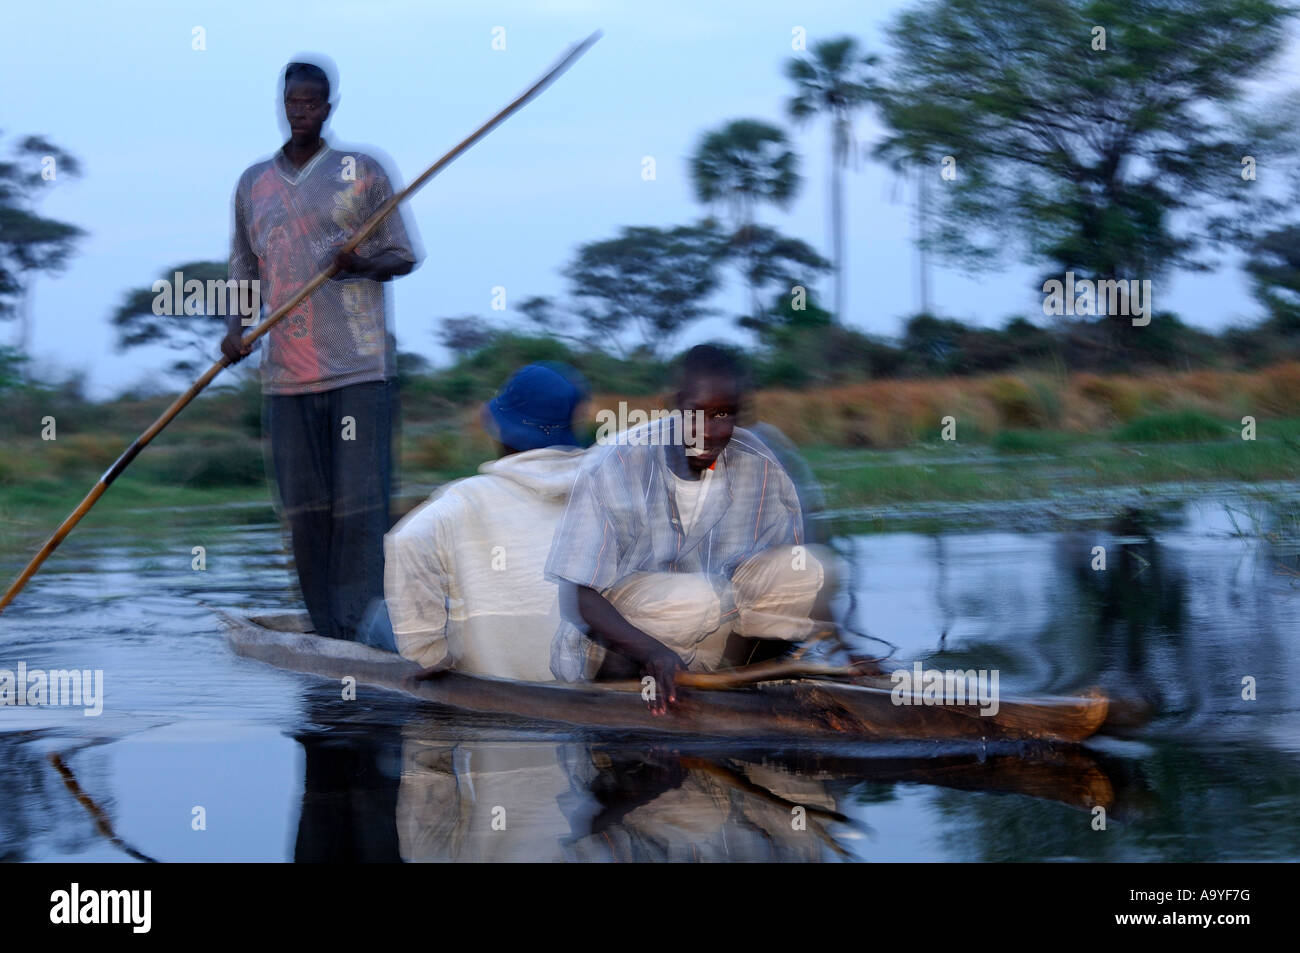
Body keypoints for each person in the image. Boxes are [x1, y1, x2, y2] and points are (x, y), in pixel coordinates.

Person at [223, 60, 419, 641]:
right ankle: (328, 631)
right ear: (282, 104)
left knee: (359, 509)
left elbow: (402, 255)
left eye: (312, 103)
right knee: (305, 512)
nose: (301, 111)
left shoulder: (363, 172)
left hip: (358, 369)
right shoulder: (253, 183)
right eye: (292, 102)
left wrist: (360, 263)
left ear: (328, 107)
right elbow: (241, 266)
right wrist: (236, 328)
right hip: (285, 377)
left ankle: (367, 631)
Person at [545, 345, 829, 712]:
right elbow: (579, 597)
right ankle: (629, 687)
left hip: (715, 628)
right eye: (697, 413)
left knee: (806, 570)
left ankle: (743, 681)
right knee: (700, 598)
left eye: (725, 414)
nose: (709, 432)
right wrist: (653, 652)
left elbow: (785, 576)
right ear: (672, 406)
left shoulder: (759, 463)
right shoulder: (616, 462)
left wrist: (845, 647)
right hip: (622, 640)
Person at [384, 363, 589, 680]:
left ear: (501, 432)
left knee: (376, 619)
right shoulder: (601, 491)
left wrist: (430, 654)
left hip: (490, 677)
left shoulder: (466, 498)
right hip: (578, 675)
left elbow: (406, 540)